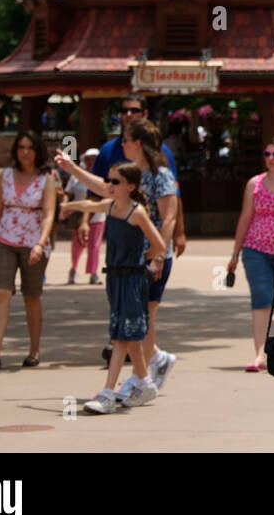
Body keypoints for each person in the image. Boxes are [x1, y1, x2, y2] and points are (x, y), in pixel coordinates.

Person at [58, 119, 179, 392]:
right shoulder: (132, 173)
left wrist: (158, 256)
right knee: (136, 319)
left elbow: (169, 218)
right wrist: (72, 168)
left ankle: (141, 377)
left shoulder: (161, 176)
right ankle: (153, 365)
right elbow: (105, 190)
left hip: (151, 257)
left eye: (124, 140)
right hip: (129, 259)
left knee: (140, 319)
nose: (120, 144)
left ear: (137, 144)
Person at [62, 162, 167, 413]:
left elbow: (160, 244)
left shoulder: (137, 212)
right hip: (115, 278)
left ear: (131, 186)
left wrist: (146, 259)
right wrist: (69, 205)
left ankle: (107, 393)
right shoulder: (111, 206)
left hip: (132, 279)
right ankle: (145, 383)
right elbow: (90, 204)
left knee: (121, 337)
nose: (109, 186)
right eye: (108, 180)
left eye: (115, 182)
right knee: (125, 335)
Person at [0, 131, 56, 367]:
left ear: (37, 151)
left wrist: (40, 243)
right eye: (21, 147)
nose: (25, 152)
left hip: (33, 243)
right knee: (1, 293)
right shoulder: (5, 176)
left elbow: (49, 214)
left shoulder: (46, 179)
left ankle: (34, 350)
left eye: (30, 147)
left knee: (31, 296)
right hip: (5, 240)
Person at [228, 135, 274, 371]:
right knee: (262, 299)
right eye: (267, 154)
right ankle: (260, 354)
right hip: (255, 249)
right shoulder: (254, 183)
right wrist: (235, 254)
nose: (271, 159)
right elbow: (245, 217)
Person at [92, 95, 186, 258]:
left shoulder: (162, 155)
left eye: (134, 110)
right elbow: (100, 190)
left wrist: (179, 233)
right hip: (120, 240)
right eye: (124, 110)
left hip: (149, 248)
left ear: (145, 114)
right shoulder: (107, 151)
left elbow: (172, 199)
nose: (128, 114)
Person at [64, 147, 105, 285]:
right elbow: (67, 193)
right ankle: (73, 269)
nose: (91, 162)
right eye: (89, 159)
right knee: (78, 245)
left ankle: (93, 273)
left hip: (98, 216)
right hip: (79, 215)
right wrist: (65, 207)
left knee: (95, 246)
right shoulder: (76, 177)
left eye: (95, 159)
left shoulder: (102, 177)